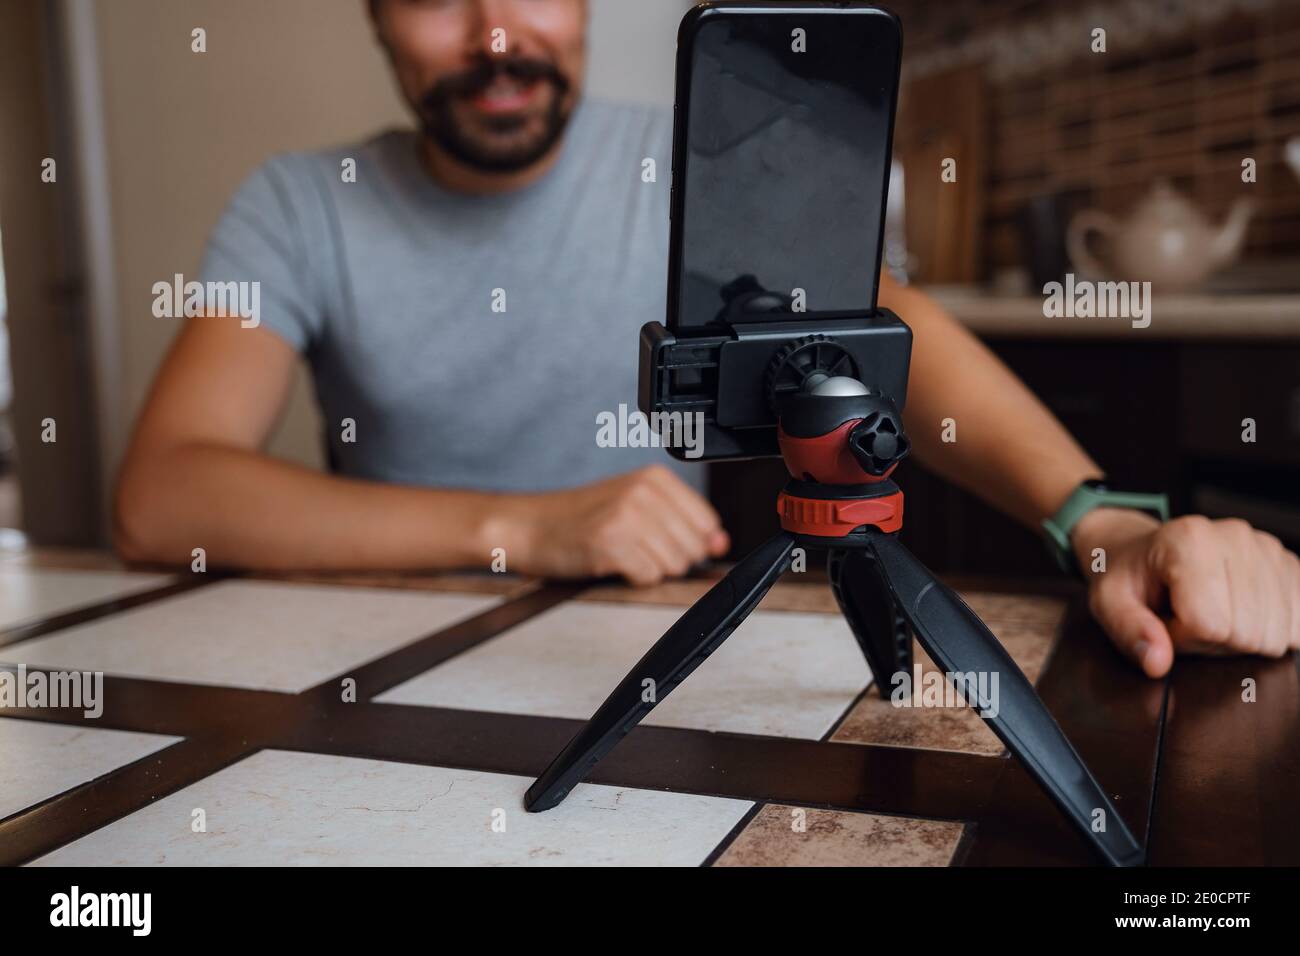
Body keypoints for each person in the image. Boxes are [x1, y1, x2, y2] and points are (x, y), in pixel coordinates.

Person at [114, 0, 1299, 680]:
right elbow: (165, 493)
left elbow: (892, 337)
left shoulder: (698, 155)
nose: (491, 36)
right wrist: (522, 524)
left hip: (645, 650)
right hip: (385, 657)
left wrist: (1094, 521)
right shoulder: (300, 200)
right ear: (374, 17)